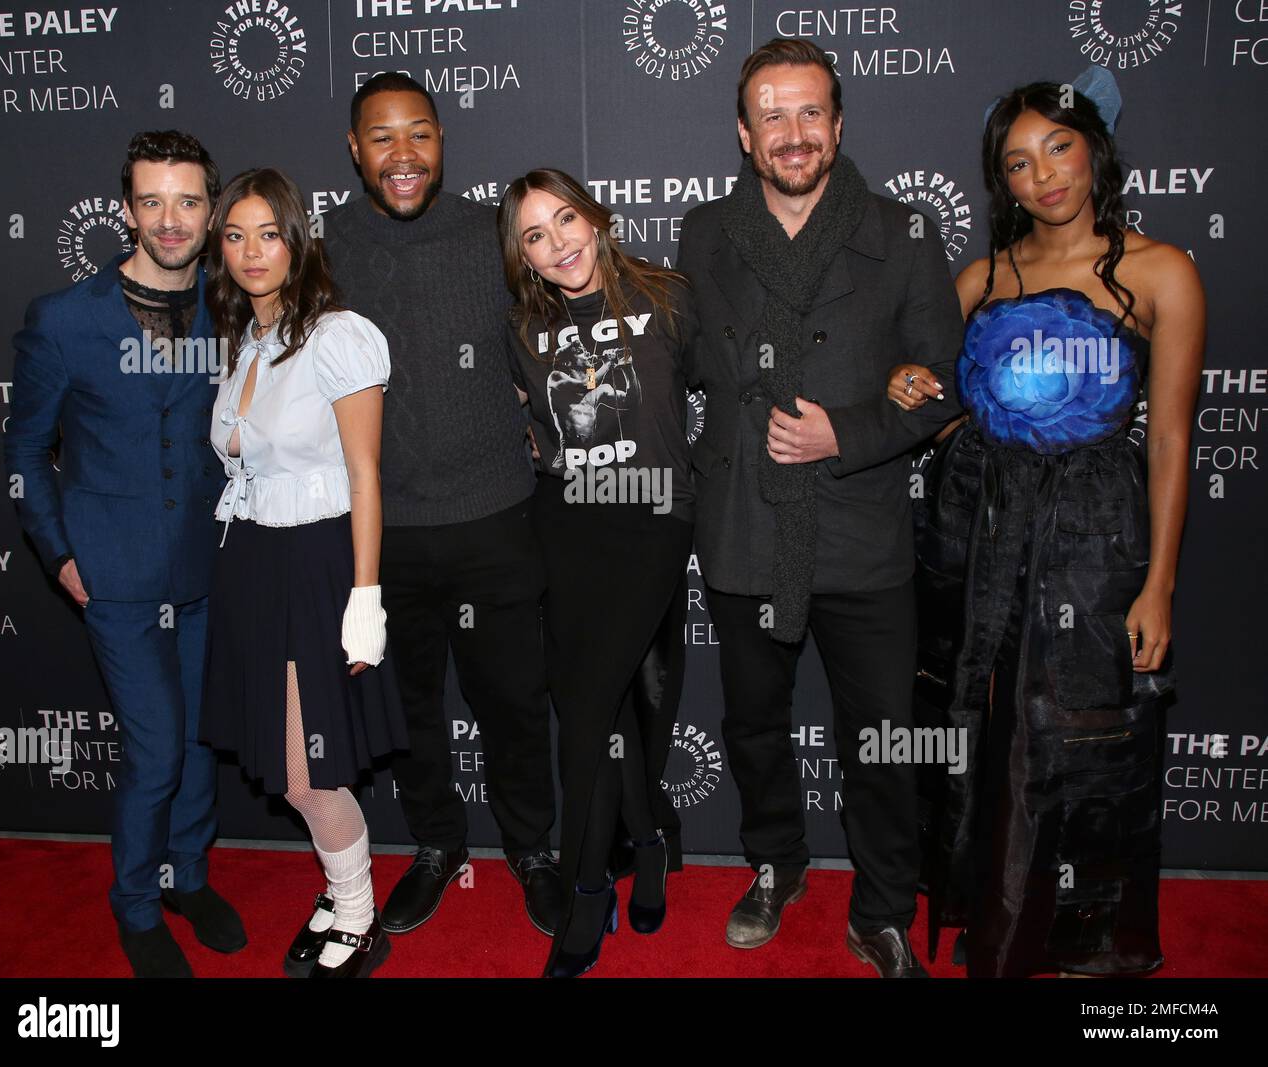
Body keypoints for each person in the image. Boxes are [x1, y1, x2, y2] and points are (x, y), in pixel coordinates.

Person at [888, 69, 1203, 978]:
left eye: (1058, 148)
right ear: (1002, 182)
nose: (1044, 176)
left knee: (1073, 732)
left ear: (1095, 146)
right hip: (976, 521)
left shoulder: (1160, 271)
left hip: (1094, 531)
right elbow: (950, 409)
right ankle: (981, 910)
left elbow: (1173, 440)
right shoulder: (981, 277)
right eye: (1019, 163)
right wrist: (912, 388)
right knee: (973, 721)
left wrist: (1158, 585)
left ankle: (1069, 936)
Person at [675, 38, 963, 976]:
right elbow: (672, 357)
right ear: (744, 132)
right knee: (754, 725)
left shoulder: (905, 230)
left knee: (880, 736)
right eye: (773, 115)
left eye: (810, 114)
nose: (792, 134)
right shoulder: (705, 234)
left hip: (860, 527)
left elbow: (942, 379)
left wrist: (848, 429)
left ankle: (881, 907)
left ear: (838, 124)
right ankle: (774, 863)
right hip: (744, 525)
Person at [323, 72, 561, 936]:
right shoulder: (325, 250)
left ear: (441, 140)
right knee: (409, 707)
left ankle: (533, 849)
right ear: (355, 150)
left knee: (513, 701)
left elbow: (558, 339)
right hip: (384, 535)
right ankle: (436, 845)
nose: (403, 155)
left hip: (497, 514)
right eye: (382, 138)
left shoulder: (491, 236)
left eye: (418, 133)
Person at [4, 130, 246, 977]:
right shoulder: (67, 319)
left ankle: (188, 877)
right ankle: (136, 902)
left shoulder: (234, 303)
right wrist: (61, 553)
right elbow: (26, 450)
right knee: (153, 747)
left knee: (197, 744)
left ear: (212, 210)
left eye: (187, 201)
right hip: (115, 572)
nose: (171, 220)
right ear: (126, 210)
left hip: (210, 563)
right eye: (153, 201)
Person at [199, 168, 408, 978]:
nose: (253, 252)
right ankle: (339, 890)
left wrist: (365, 598)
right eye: (236, 235)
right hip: (250, 559)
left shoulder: (339, 335)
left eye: (269, 232)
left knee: (304, 765)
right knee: (283, 757)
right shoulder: (245, 340)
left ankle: (358, 912)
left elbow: (365, 473)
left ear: (299, 238)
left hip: (319, 559)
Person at [497, 169, 696, 977]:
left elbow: (739, 391)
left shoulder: (672, 296)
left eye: (565, 219)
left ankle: (585, 891)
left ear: (598, 216)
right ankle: (647, 846)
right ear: (523, 257)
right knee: (601, 707)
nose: (558, 244)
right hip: (565, 520)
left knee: (585, 713)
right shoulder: (519, 325)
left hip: (652, 518)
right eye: (535, 237)